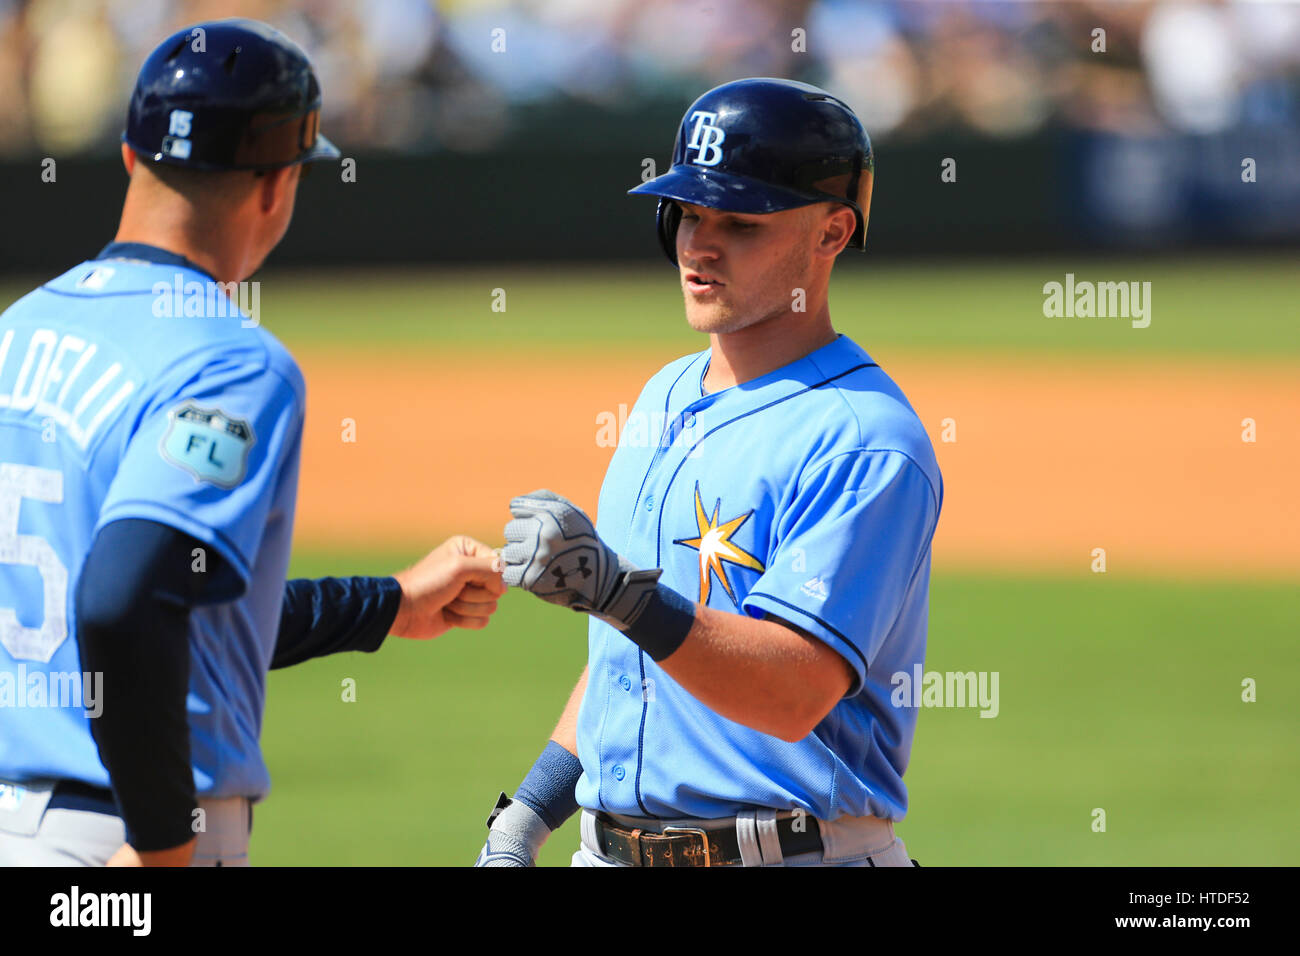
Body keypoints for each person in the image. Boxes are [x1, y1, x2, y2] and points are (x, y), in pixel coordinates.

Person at [0, 18, 504, 868]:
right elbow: (124, 602)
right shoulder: (230, 363)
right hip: (117, 844)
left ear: (130, 157)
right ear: (276, 187)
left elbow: (173, 613)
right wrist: (161, 848)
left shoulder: (18, 331)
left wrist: (387, 605)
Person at [477, 78, 942, 867]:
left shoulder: (863, 438)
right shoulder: (665, 391)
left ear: (831, 233)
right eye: (689, 214)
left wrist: (620, 592)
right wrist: (526, 815)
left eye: (740, 221)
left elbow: (792, 692)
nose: (700, 244)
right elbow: (632, 661)